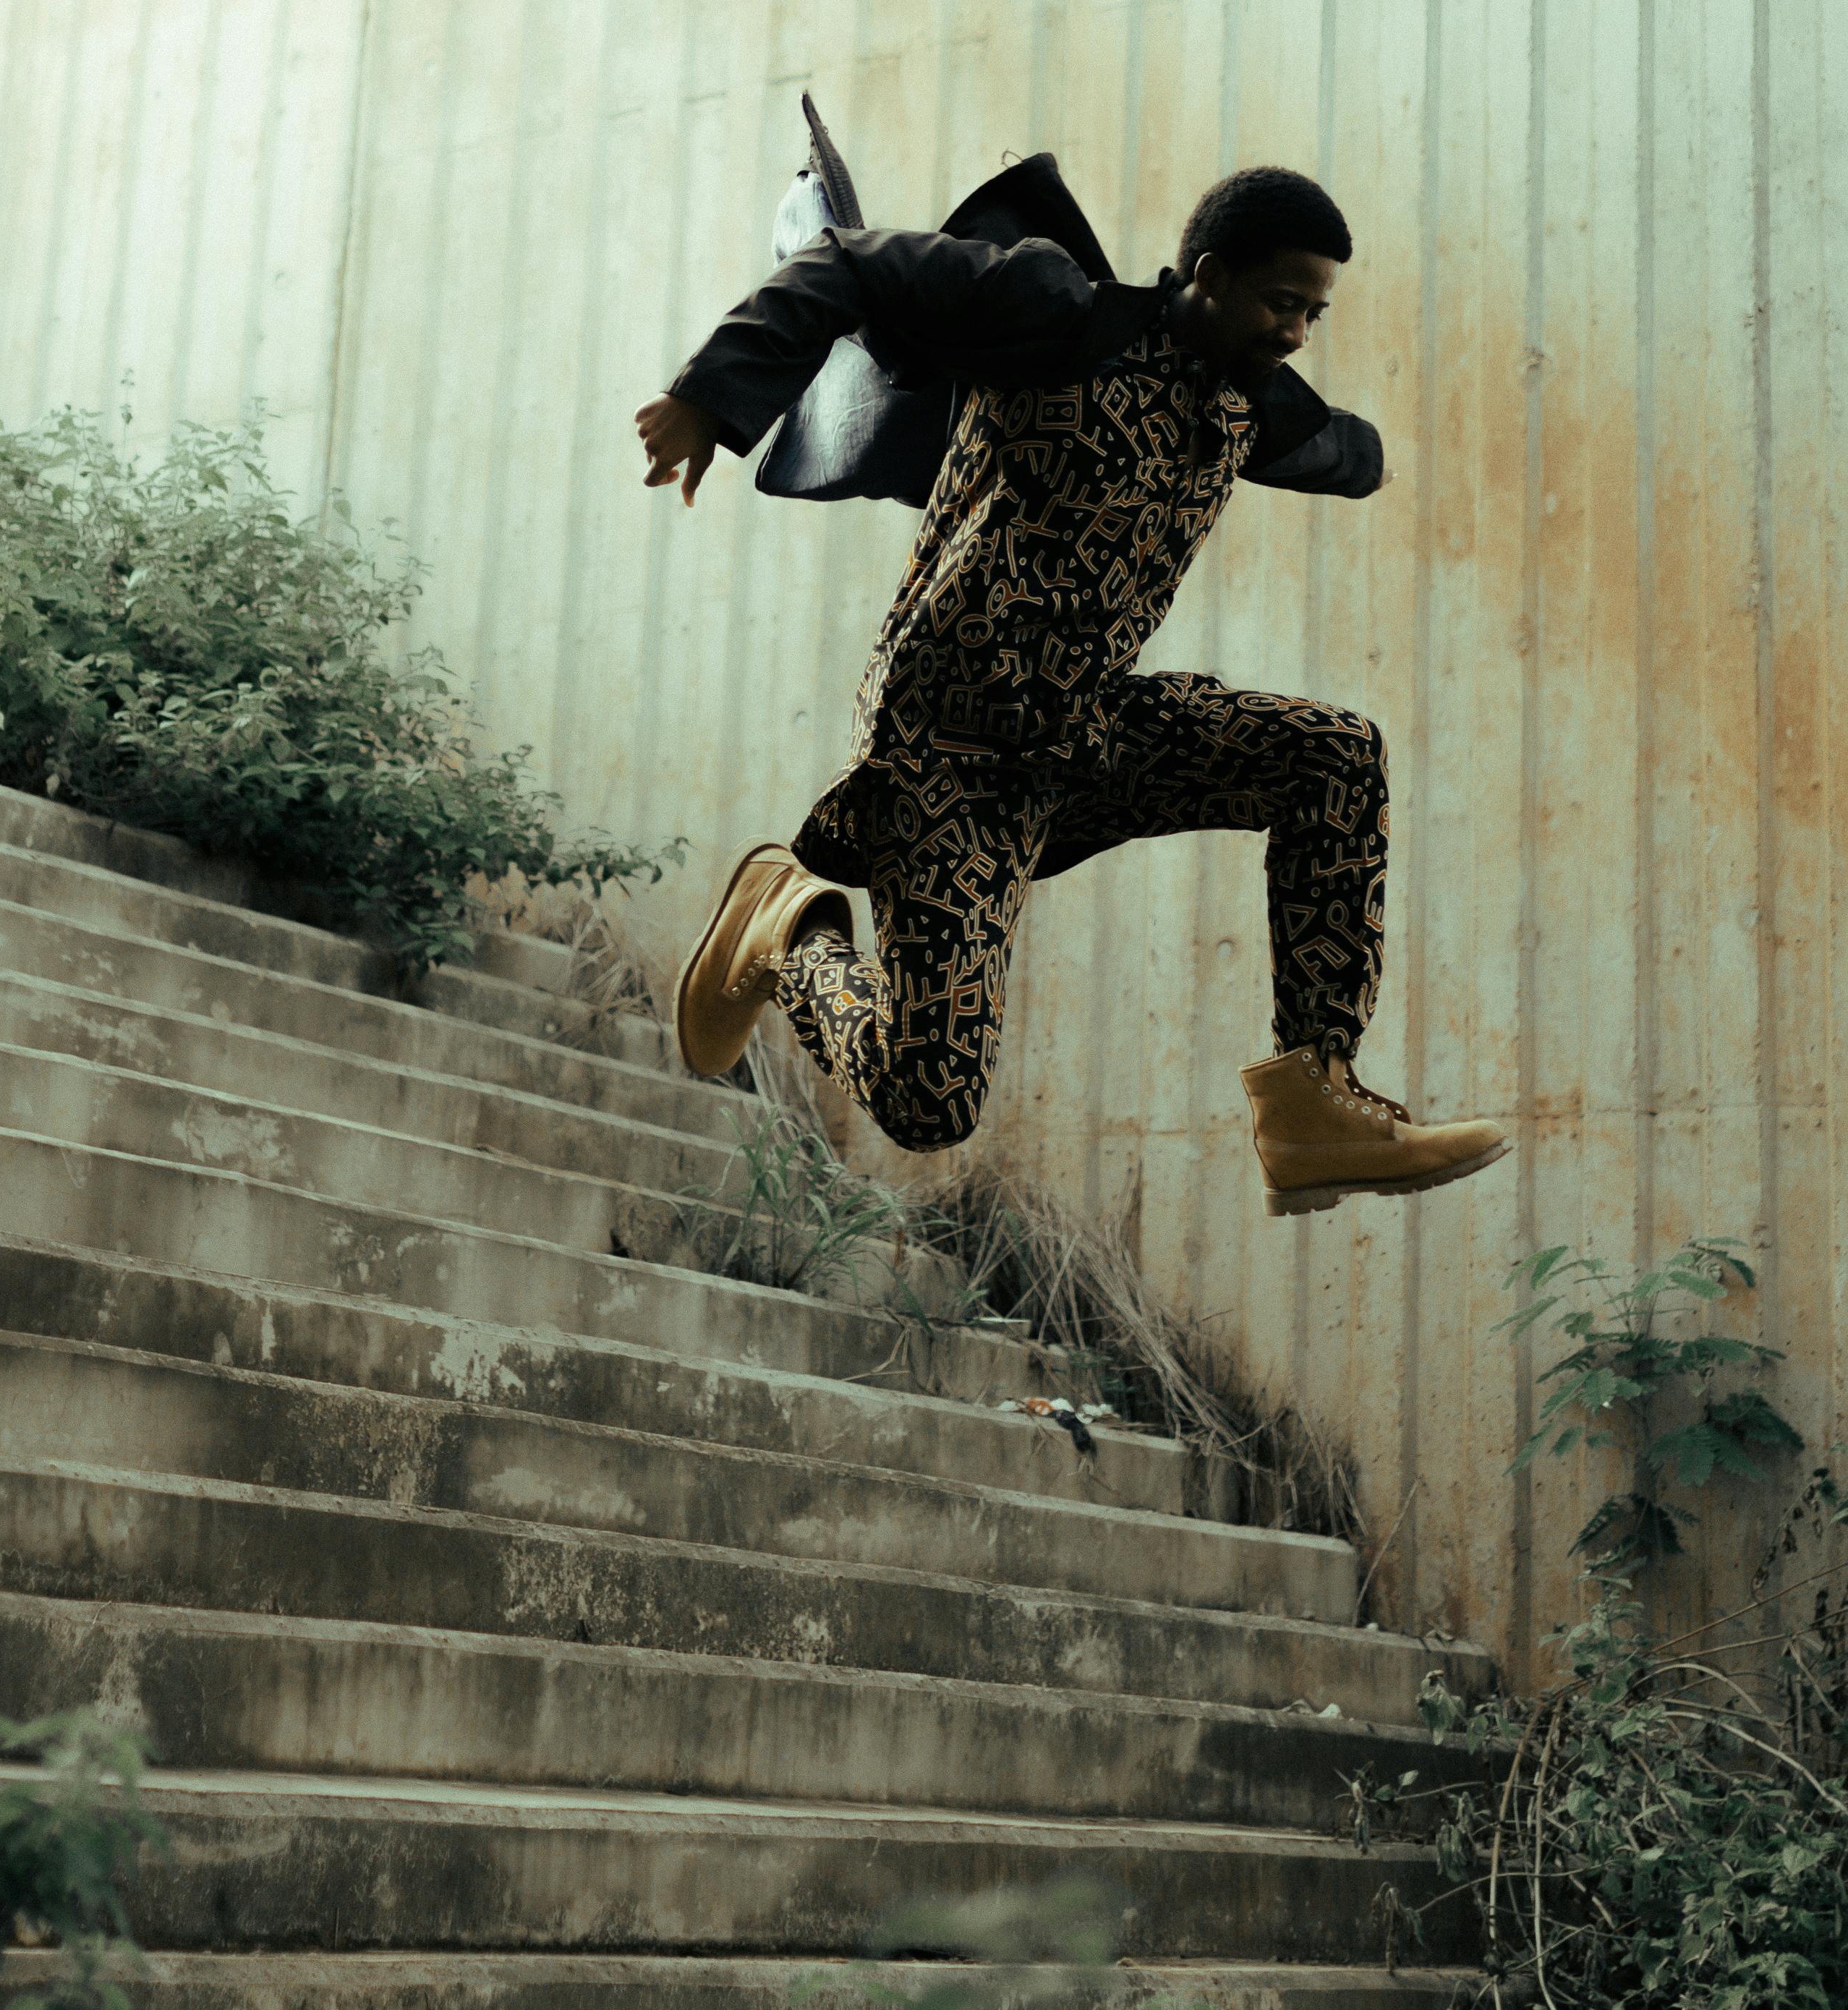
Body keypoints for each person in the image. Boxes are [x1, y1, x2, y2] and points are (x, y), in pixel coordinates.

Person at [632, 161, 1506, 1217]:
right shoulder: (1053, 310)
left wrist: (1381, 459)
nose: (1296, 332)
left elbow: (1334, 449)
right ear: (1211, 274)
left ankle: (1311, 1096)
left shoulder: (1248, 401)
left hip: (1088, 730)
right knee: (929, 1101)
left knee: (1332, 753)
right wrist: (706, 398)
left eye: (1315, 313)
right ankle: (790, 935)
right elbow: (844, 267)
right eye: (1283, 302)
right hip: (946, 749)